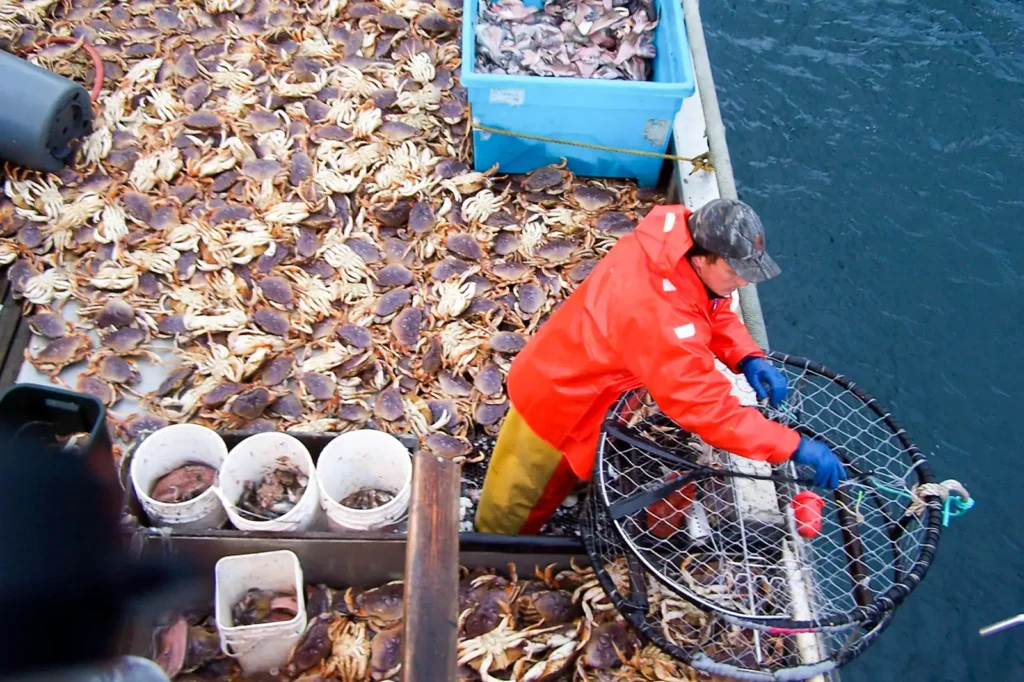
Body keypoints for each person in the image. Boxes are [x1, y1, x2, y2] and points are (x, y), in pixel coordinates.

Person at [475, 199, 847, 535]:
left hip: (585, 370)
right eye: (735, 273)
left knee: (564, 471)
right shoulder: (663, 319)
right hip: (559, 403)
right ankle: (494, 544)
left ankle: (566, 486)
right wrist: (792, 446)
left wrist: (747, 356)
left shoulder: (671, 240)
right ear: (703, 258)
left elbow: (709, 306)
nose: (743, 281)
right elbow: (709, 411)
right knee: (517, 498)